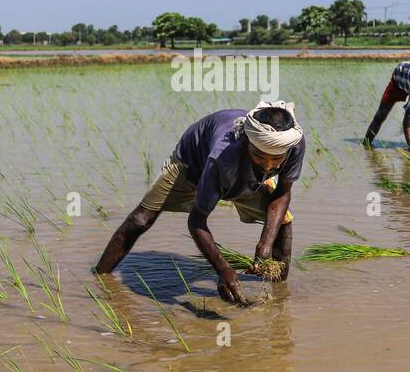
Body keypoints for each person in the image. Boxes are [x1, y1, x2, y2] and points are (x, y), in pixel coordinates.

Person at [93, 101, 303, 305]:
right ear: (248, 142)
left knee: (282, 222)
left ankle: (278, 295)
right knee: (140, 220)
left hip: (241, 171)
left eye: (276, 159)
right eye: (260, 156)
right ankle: (99, 279)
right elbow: (196, 220)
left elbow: (282, 193)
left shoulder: (291, 143)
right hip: (191, 164)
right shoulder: (221, 159)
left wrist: (265, 244)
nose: (268, 166)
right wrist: (223, 270)